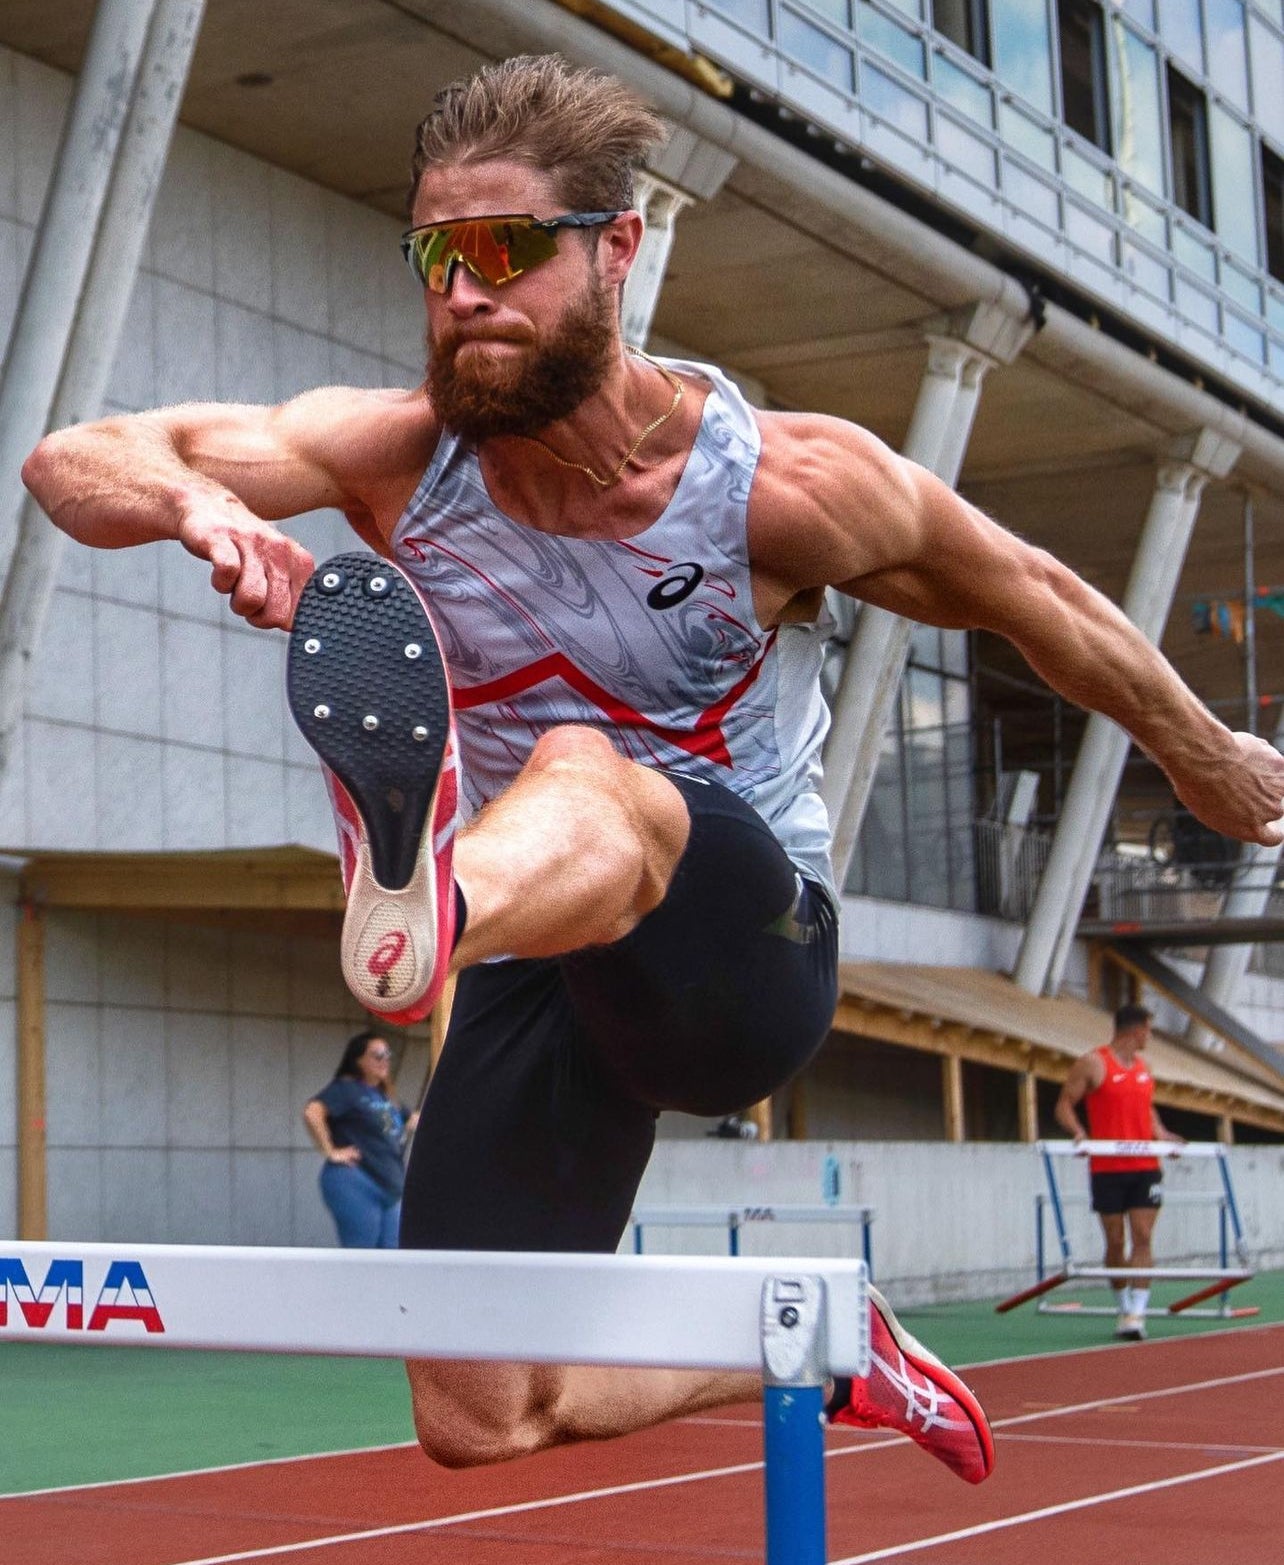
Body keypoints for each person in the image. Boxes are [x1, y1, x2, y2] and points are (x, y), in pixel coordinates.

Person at [22, 53, 1284, 1485]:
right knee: (478, 1405)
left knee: (587, 764)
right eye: (435, 254)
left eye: (505, 251)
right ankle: (820, 1338)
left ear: (616, 248)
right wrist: (196, 500)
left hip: (742, 956)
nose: (464, 291)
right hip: (540, 959)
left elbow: (1033, 592)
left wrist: (1206, 752)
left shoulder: (778, 489)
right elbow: (77, 457)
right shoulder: (396, 458)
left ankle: (424, 898)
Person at [1054, 1003, 1184, 1340]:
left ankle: (1137, 1314)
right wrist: (1080, 1134)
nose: (1149, 1037)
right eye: (1148, 1030)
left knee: (1142, 1237)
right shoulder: (1094, 1063)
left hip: (1145, 1167)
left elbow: (1146, 1109)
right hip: (1108, 1167)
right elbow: (1064, 1104)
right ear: (1136, 1029)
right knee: (1115, 1240)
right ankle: (1124, 1304)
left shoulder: (1144, 1068)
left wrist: (1163, 1135)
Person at [303, 1030, 419, 1248]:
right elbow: (313, 1111)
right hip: (357, 1181)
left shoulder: (384, 1096)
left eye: (387, 1055)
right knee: (362, 1254)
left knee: (394, 1256)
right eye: (377, 1055)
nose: (385, 1060)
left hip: (391, 1187)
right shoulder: (346, 1089)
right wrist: (330, 1151)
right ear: (358, 1060)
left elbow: (414, 1119)